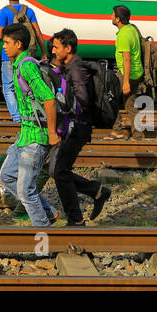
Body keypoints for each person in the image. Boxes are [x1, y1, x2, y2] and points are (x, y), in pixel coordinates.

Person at [0, 23, 59, 225]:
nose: (3, 47)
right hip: (25, 135)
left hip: (36, 137)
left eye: (7, 43)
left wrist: (51, 133)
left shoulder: (27, 66)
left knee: (25, 191)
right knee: (6, 176)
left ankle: (45, 235)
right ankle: (47, 211)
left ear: (19, 44)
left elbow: (49, 99)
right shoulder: (18, 65)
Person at [47, 29, 110, 226]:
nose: (53, 51)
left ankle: (75, 219)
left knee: (59, 171)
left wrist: (62, 102)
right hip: (72, 126)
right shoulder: (71, 67)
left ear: (68, 48)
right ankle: (96, 191)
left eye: (57, 47)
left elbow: (83, 99)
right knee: (57, 171)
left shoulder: (76, 69)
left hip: (77, 126)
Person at [0, 0, 43, 124]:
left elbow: (0, 35)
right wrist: (44, 53)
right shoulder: (28, 11)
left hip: (9, 57)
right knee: (27, 85)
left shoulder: (5, 12)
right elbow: (38, 33)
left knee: (9, 87)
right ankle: (29, 114)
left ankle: (17, 118)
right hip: (26, 55)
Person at [107, 5, 144, 140]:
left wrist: (126, 81)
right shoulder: (131, 29)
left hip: (126, 73)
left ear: (118, 19)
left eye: (112, 15)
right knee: (129, 104)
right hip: (137, 72)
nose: (110, 17)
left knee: (110, 99)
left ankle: (116, 130)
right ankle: (138, 134)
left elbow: (127, 59)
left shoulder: (123, 35)